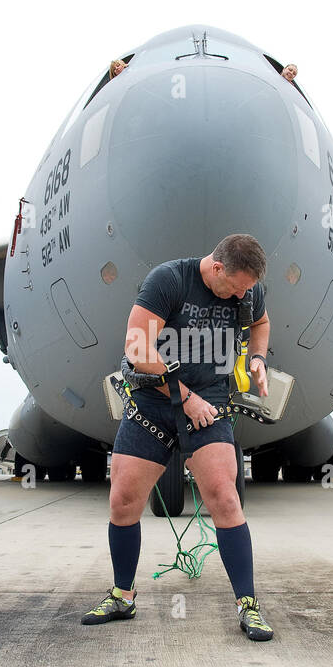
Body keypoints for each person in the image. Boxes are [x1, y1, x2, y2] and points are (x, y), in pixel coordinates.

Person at [83, 233, 274, 641]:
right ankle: (122, 595)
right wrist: (183, 398)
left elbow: (261, 322)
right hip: (154, 401)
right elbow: (137, 350)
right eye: (237, 286)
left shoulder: (247, 292)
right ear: (217, 268)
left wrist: (257, 357)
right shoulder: (168, 280)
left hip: (210, 404)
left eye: (248, 289)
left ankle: (249, 605)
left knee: (224, 497)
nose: (242, 294)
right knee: (123, 500)